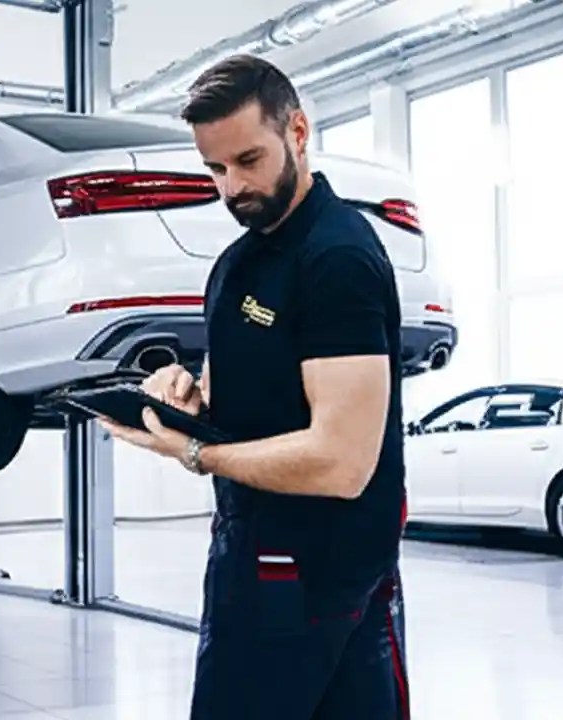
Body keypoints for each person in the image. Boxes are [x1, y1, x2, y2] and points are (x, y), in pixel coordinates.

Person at [99, 54, 410, 719]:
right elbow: (237, 399)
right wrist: (189, 402)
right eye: (215, 168)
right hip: (251, 551)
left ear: (297, 131)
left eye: (248, 160)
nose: (233, 187)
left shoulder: (338, 257)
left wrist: (195, 452)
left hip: (328, 571)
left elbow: (343, 462)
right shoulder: (235, 266)